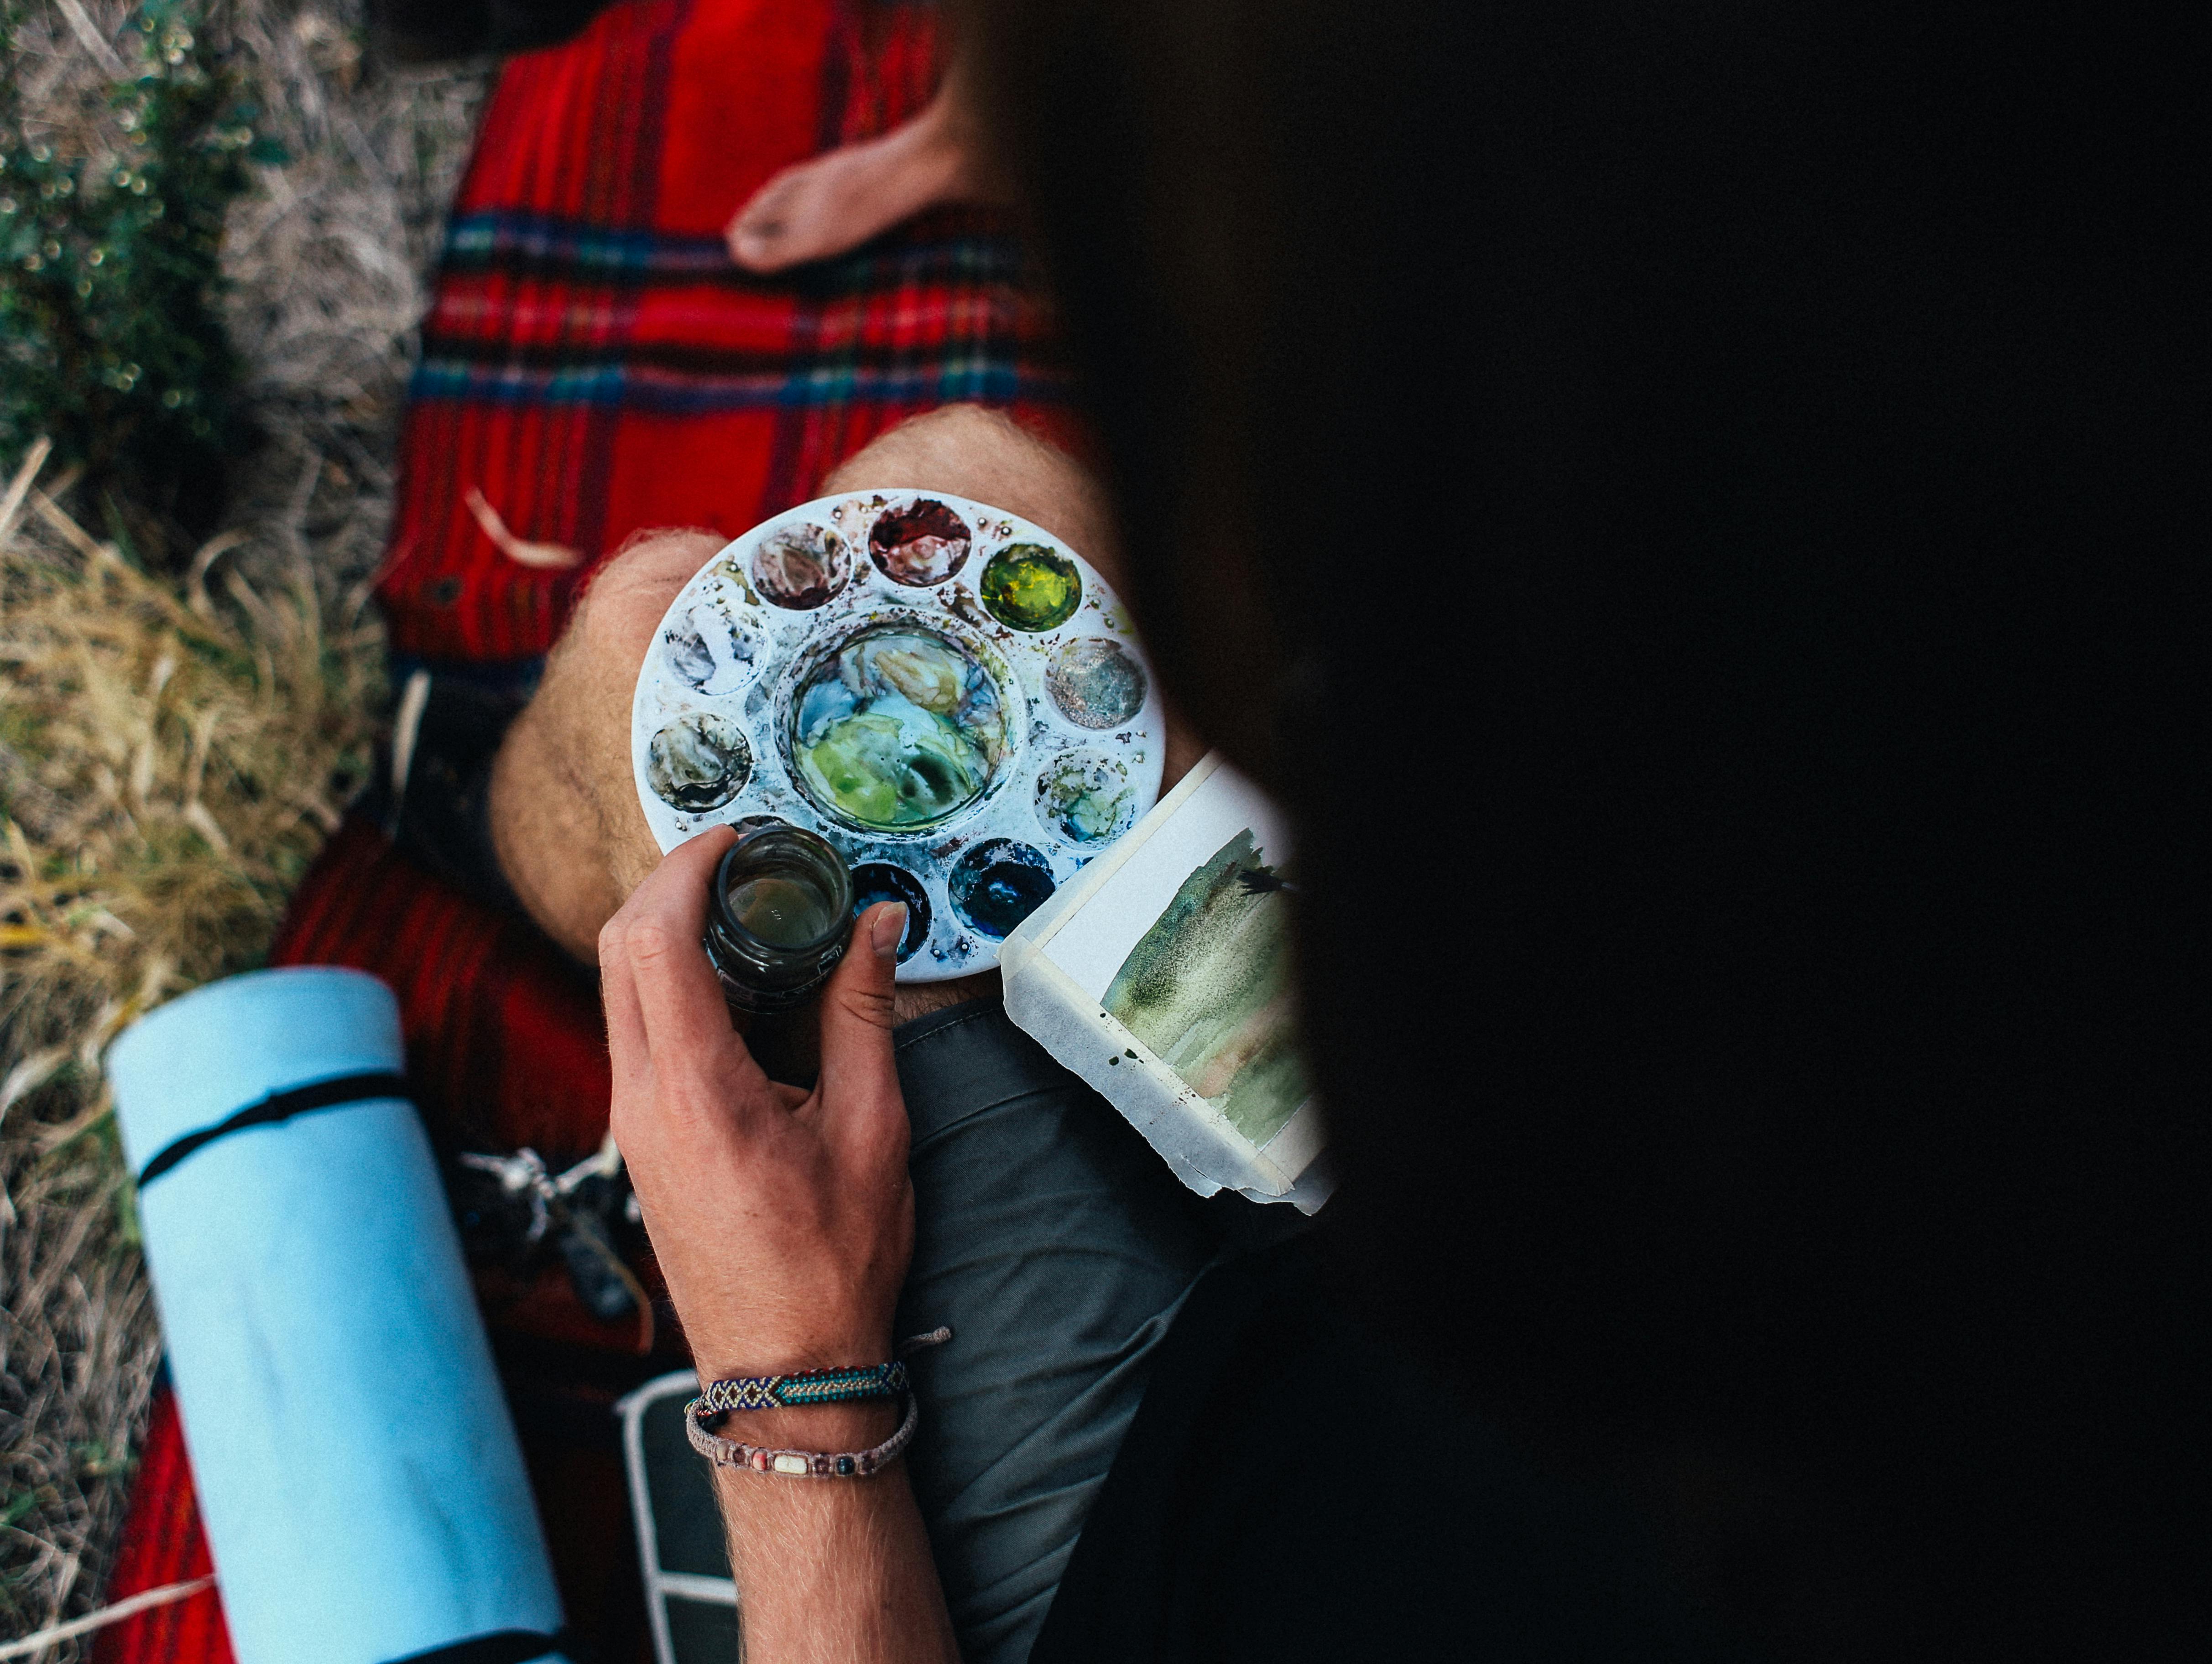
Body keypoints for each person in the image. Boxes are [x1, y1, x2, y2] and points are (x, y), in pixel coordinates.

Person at [488, 1, 2203, 1661]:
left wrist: (793, 1376)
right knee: (976, 485)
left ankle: (551, 881)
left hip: (1155, 1544)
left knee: (652, 634)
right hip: (1501, 1275)